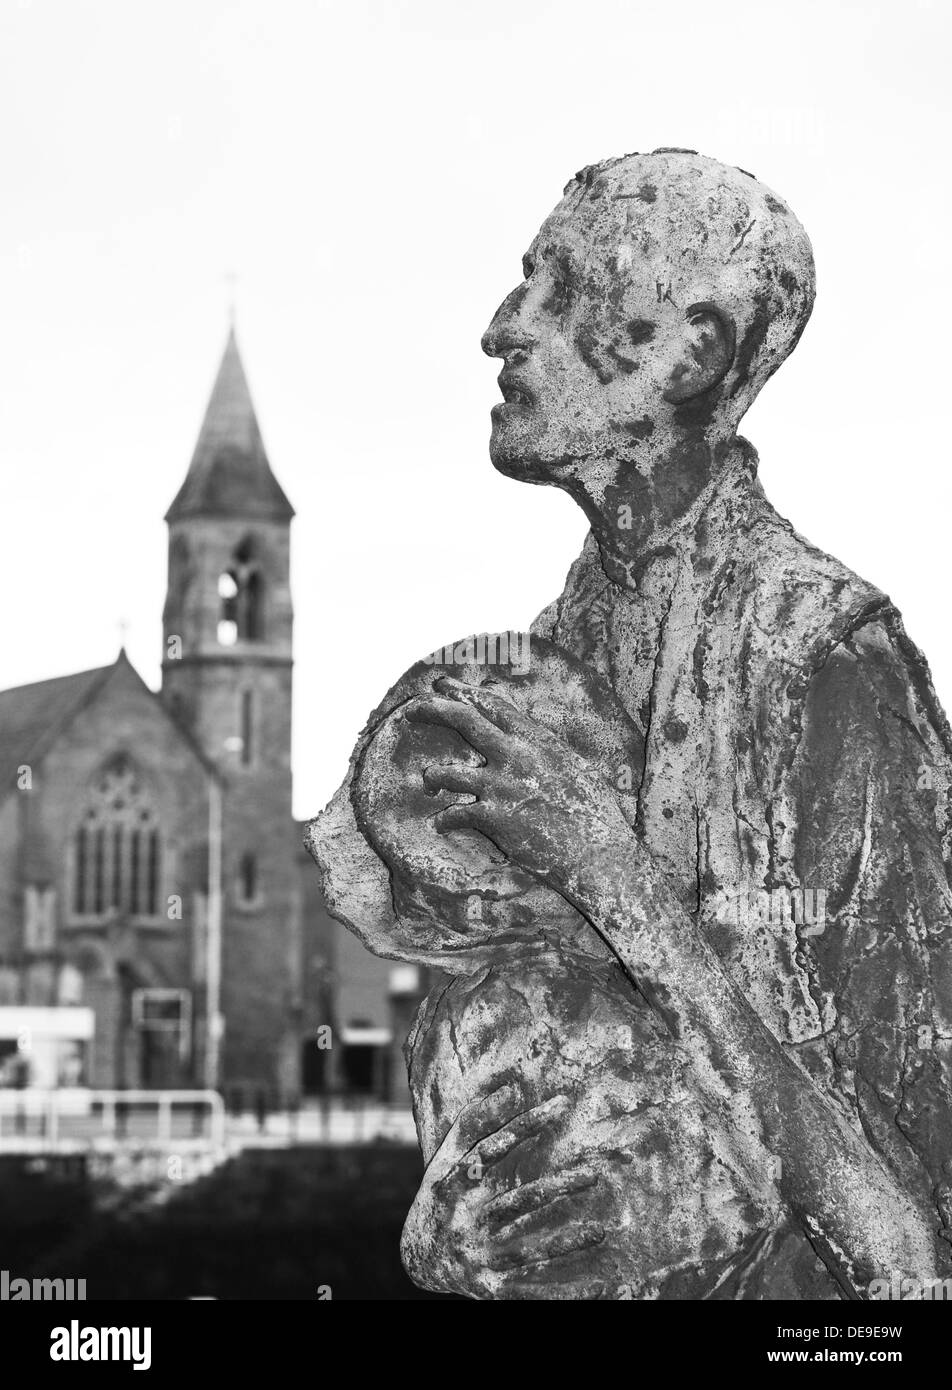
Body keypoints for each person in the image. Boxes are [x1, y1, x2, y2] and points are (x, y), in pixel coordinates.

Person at [308, 151, 952, 1298]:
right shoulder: (559, 649)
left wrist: (609, 875)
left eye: (557, 290)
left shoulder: (823, 655)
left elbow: (912, 1242)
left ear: (690, 350)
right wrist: (458, 1236)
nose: (502, 328)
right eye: (523, 285)